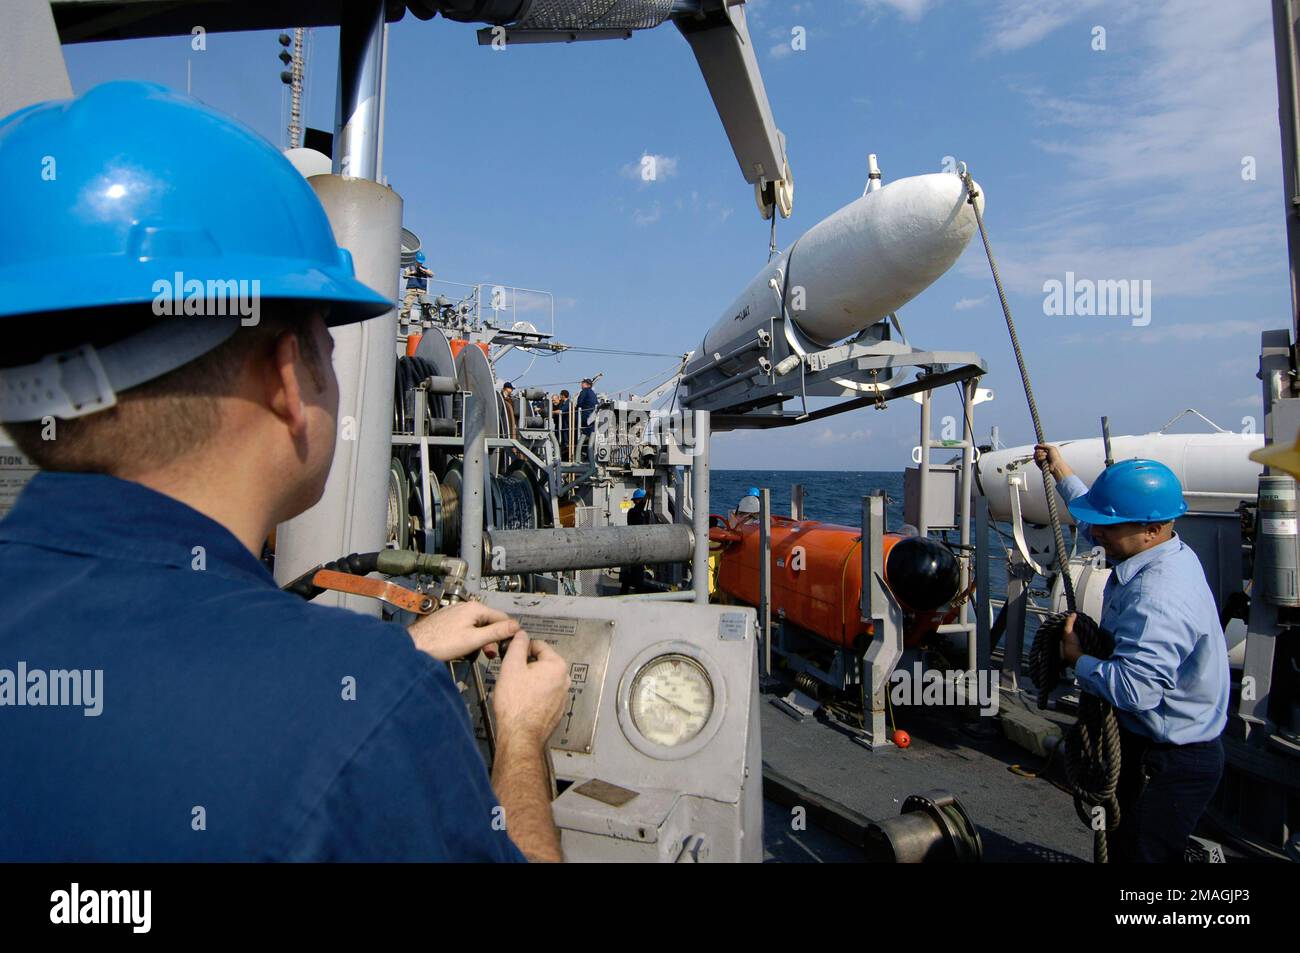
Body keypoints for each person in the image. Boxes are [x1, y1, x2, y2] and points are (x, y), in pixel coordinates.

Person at [0, 81, 570, 862]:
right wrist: (520, 739)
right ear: (287, 378)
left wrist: (386, 663)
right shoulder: (370, 719)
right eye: (329, 353)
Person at [1035, 444, 1230, 863]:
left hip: (1167, 761)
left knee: (1142, 853)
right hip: (1149, 745)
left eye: (1108, 525)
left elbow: (1135, 690)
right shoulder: (1161, 548)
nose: (1096, 532)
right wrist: (1060, 470)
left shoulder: (1158, 596)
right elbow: (1097, 524)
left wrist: (1077, 659)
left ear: (1151, 529)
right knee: (1121, 845)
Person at [620, 488, 651, 594]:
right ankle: (637, 592)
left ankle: (628, 592)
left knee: (633, 572)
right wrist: (647, 495)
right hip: (635, 546)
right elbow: (640, 506)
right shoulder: (633, 512)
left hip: (638, 545)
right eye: (640, 500)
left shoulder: (642, 513)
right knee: (635, 571)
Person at [403, 251, 433, 322]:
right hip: (412, 289)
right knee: (408, 303)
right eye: (419, 262)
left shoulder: (425, 268)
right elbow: (404, 275)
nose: (420, 263)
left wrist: (424, 271)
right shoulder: (410, 268)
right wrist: (411, 273)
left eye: (421, 262)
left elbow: (432, 274)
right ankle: (404, 317)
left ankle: (424, 319)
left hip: (422, 289)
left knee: (425, 304)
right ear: (415, 260)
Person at [575, 378, 598, 461]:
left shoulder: (584, 391)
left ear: (586, 384)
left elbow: (580, 403)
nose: (581, 384)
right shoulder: (592, 393)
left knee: (572, 423)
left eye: (582, 383)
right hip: (592, 416)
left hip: (585, 416)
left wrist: (575, 409)